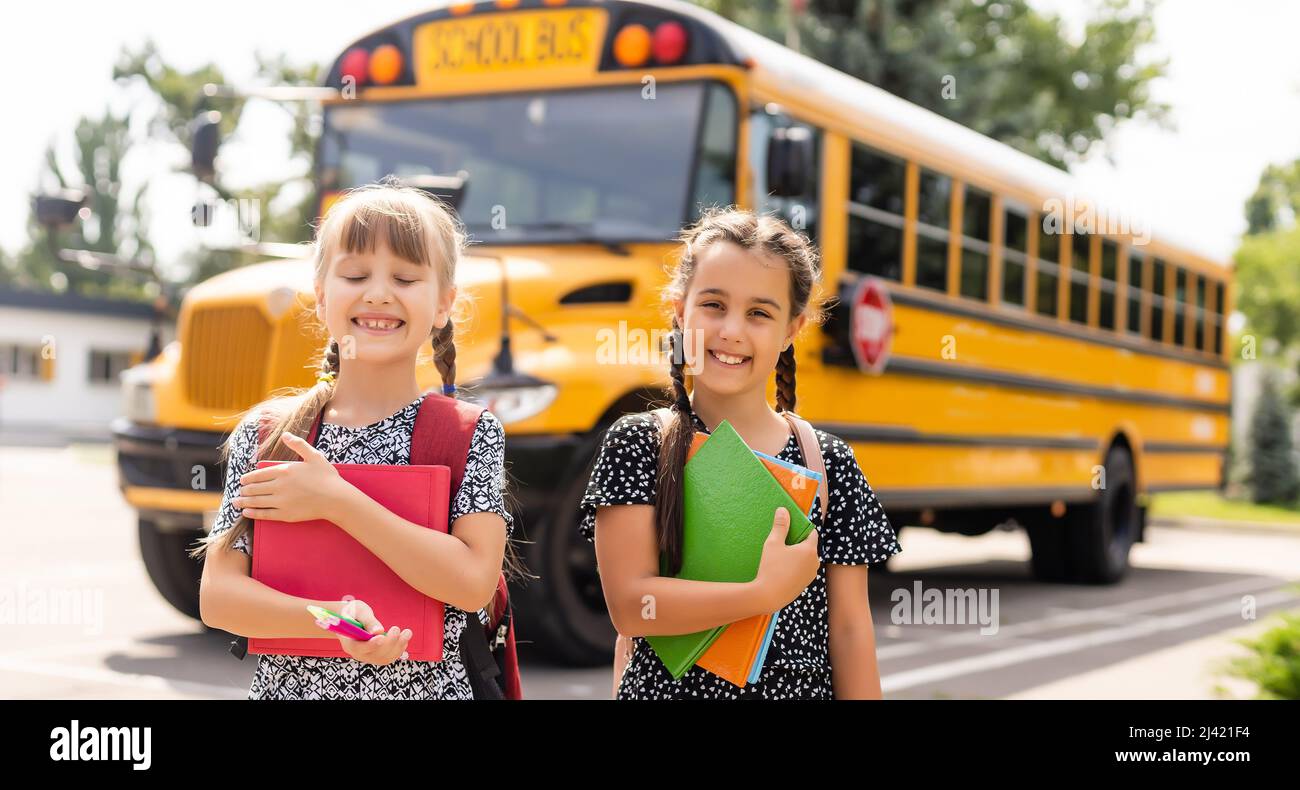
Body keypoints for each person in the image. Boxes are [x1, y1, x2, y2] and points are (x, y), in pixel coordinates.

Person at [195, 181, 513, 700]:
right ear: (321, 298)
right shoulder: (271, 437)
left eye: (406, 277)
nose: (379, 293)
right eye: (356, 275)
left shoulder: (468, 433)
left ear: (443, 305)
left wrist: (339, 501)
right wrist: (334, 621)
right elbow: (220, 596)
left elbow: (472, 582)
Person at [580, 207, 901, 699]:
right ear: (678, 309)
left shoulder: (827, 464)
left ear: (792, 329)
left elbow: (851, 632)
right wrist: (760, 595)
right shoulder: (638, 444)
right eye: (713, 304)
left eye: (758, 313)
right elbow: (630, 605)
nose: (732, 330)